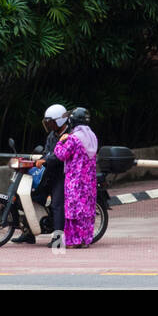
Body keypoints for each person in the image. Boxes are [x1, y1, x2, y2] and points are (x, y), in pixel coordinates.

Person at [14, 103, 67, 244]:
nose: (49, 126)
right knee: (32, 197)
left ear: (59, 120)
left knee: (57, 204)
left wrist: (45, 160)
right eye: (48, 123)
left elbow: (60, 155)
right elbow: (47, 152)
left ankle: (58, 239)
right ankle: (29, 232)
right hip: (49, 172)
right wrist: (42, 159)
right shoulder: (52, 135)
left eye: (51, 123)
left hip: (63, 174)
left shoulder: (68, 135)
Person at [52, 106, 99, 247]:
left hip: (76, 181)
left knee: (73, 211)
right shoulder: (92, 136)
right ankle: (85, 240)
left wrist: (60, 141)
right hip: (89, 181)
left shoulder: (74, 138)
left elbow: (61, 154)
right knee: (86, 211)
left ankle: (74, 241)